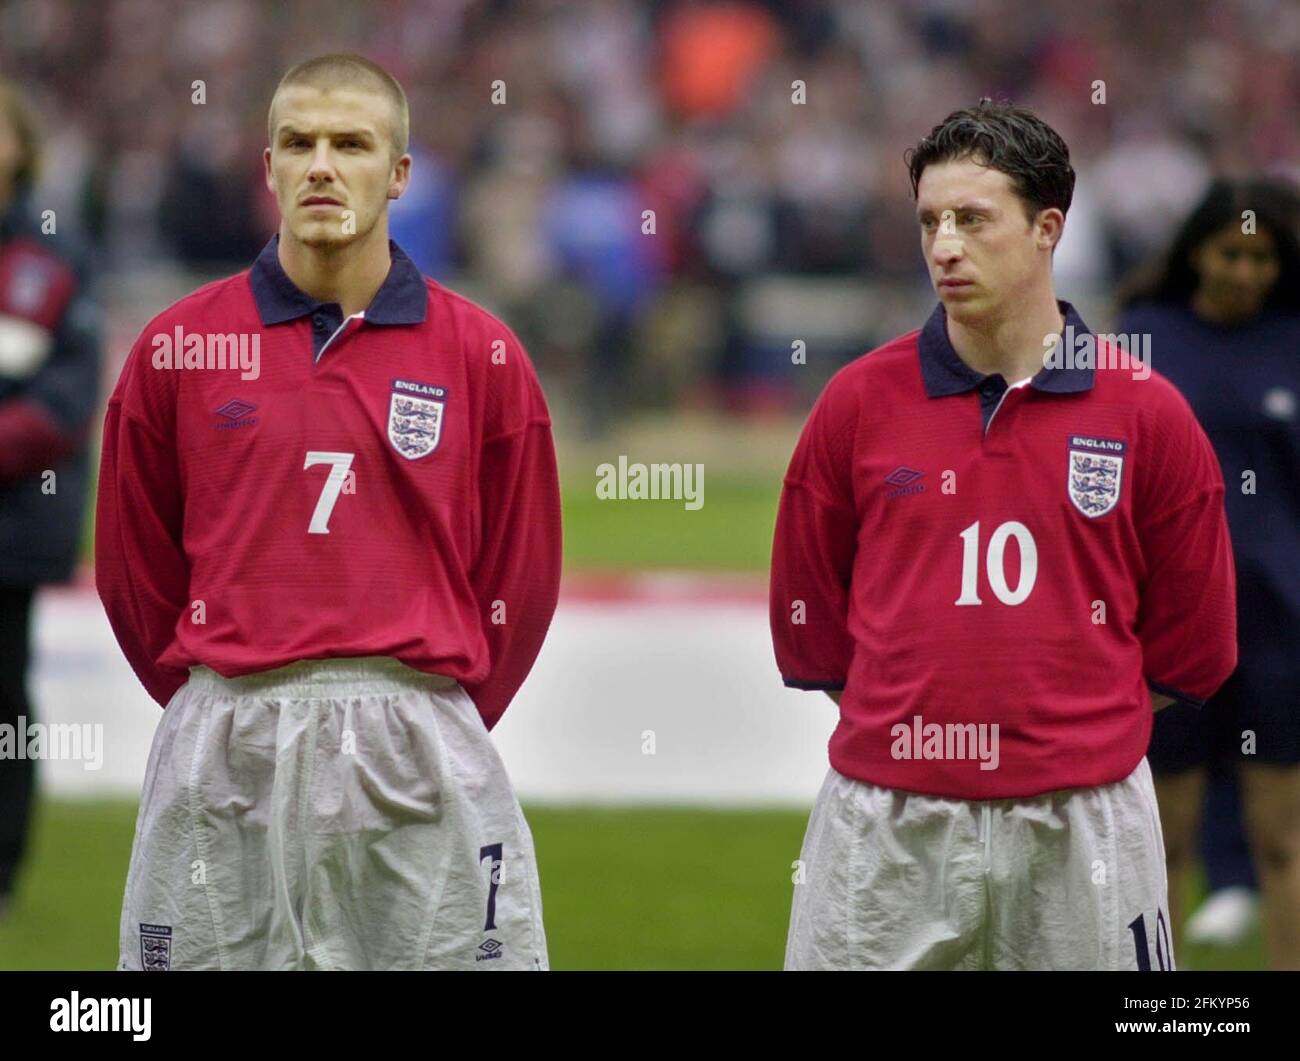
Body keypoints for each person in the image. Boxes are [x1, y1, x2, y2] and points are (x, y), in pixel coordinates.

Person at [96, 54, 561, 970]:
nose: (321, 165)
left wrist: (427, 702)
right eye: (297, 143)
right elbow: (132, 571)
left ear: (398, 174)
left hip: (414, 735)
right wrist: (230, 683)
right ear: (266, 167)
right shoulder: (178, 347)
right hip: (228, 733)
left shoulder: (482, 354)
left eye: (351, 144)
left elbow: (522, 577)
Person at [769, 100, 1237, 970]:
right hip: (887, 816)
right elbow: (809, 620)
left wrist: (1061, 731)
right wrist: (925, 724)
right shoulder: (856, 404)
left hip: (1084, 819)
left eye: (973, 219)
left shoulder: (1149, 414)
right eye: (929, 222)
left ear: (1046, 229)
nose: (944, 245)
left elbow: (1192, 646)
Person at [1117, 177, 1300, 969]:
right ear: (1195, 250)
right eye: (1231, 252)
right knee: (1164, 842)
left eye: (1263, 257)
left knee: (1283, 841)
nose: (1246, 272)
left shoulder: (1295, 337)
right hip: (1172, 624)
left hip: (1280, 628)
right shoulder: (1142, 335)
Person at [0, 78, 100, 919]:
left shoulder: (53, 252)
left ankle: (3, 867)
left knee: (3, 694)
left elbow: (65, 401)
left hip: (13, 525)